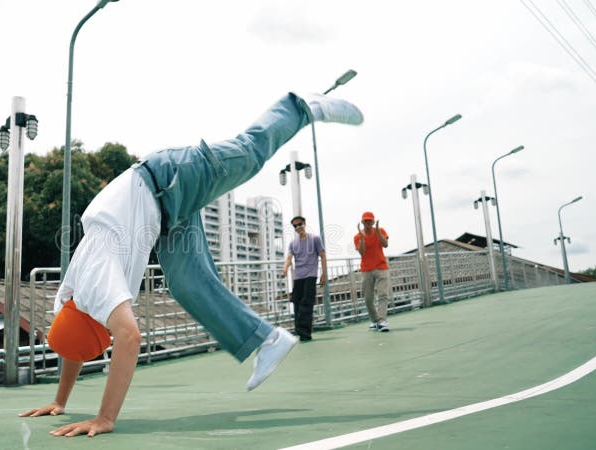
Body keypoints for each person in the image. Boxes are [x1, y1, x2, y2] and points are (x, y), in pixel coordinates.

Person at [19, 92, 364, 438]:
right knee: (186, 283)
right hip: (165, 211)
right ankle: (268, 340)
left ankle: (301, 106)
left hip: (170, 177)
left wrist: (105, 418)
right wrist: (60, 400)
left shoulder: (98, 282)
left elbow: (129, 337)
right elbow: (72, 345)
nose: (109, 330)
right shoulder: (71, 298)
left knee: (249, 153)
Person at [281, 216, 327, 342]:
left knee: (307, 303)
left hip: (311, 275)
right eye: (295, 226)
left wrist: (324, 274)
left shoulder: (315, 239)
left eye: (300, 224)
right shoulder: (293, 243)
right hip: (298, 276)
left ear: (304, 224)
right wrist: (285, 269)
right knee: (296, 302)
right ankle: (299, 332)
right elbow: (289, 258)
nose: (298, 227)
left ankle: (305, 333)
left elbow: (322, 255)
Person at [353, 211, 392, 332]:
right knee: (368, 298)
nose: (368, 223)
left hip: (381, 267)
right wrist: (362, 238)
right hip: (366, 269)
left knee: (383, 294)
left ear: (373, 222)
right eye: (366, 221)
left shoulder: (381, 231)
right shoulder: (357, 236)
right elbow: (362, 252)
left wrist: (378, 232)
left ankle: (382, 321)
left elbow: (385, 244)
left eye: (370, 221)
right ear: (362, 222)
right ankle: (375, 321)